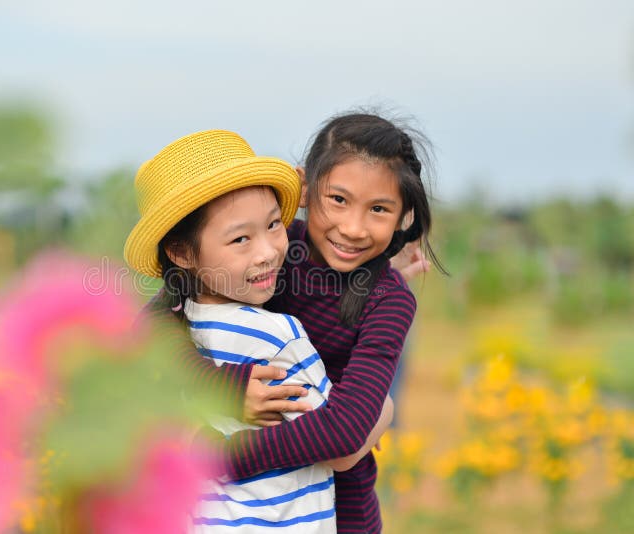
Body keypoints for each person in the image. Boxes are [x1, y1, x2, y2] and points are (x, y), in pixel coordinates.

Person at [177, 112, 444, 533]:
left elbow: (344, 431)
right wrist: (221, 386)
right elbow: (157, 319)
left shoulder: (389, 300)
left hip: (333, 510)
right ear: (304, 189)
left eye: (378, 209)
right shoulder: (274, 246)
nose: (352, 228)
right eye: (337, 199)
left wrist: (222, 457)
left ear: (403, 215)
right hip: (232, 509)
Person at [123, 130, 394, 532]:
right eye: (240, 239)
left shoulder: (185, 321)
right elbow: (343, 440)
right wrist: (386, 407)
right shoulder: (276, 335)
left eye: (273, 225)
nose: (268, 251)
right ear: (180, 252)